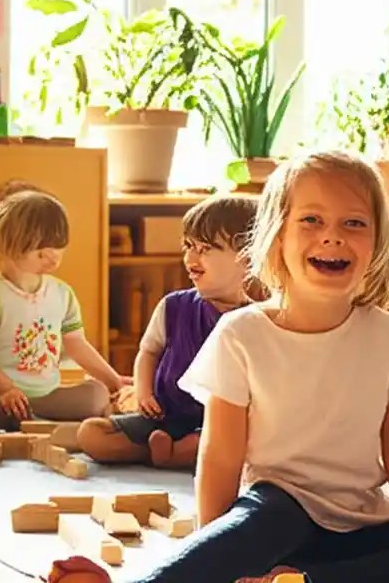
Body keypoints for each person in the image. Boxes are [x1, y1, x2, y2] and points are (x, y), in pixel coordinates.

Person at [131, 150, 389, 583]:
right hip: (274, 517)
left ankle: (305, 580)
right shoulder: (240, 334)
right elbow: (221, 457)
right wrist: (217, 549)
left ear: (377, 241)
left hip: (365, 524)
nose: (333, 237)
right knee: (270, 512)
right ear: (277, 236)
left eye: (354, 223)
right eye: (311, 221)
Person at [0, 180, 127, 429]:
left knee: (95, 394)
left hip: (42, 397)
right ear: (11, 247)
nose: (52, 260)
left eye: (58, 251)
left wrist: (113, 380)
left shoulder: (62, 294)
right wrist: (5, 389)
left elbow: (76, 345)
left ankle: (14, 420)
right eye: (42, 254)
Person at [77, 195, 258, 468]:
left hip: (217, 425)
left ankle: (178, 453)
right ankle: (164, 452)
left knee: (238, 442)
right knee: (91, 434)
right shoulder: (173, 306)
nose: (191, 258)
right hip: (165, 415)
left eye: (206, 248)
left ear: (248, 258)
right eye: (188, 246)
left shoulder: (259, 319)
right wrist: (143, 392)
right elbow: (148, 351)